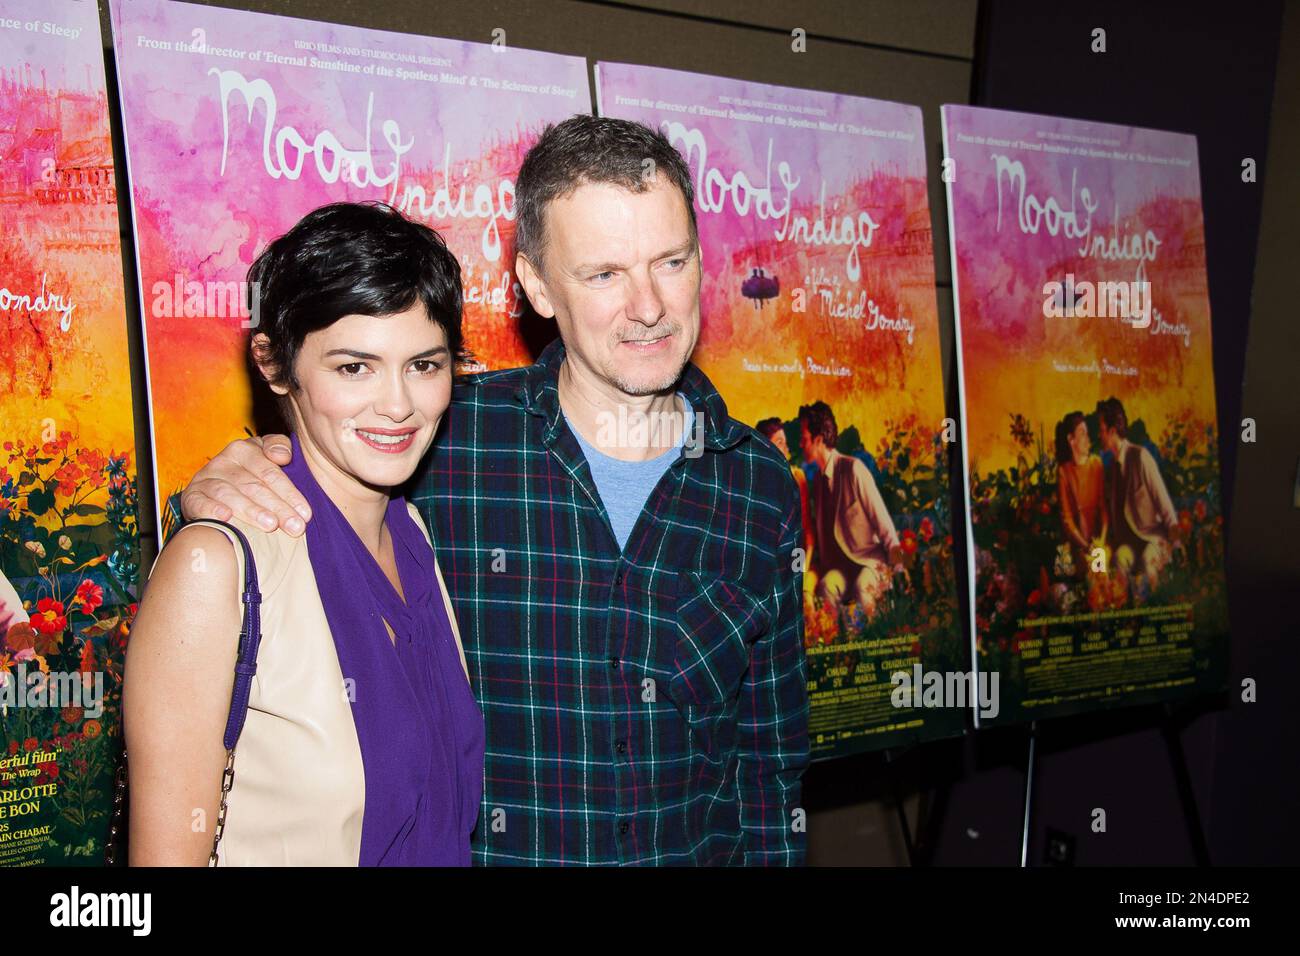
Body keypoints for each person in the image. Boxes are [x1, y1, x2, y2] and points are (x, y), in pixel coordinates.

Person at [174, 116, 809, 866]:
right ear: (536, 284)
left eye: (670, 262)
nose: (649, 306)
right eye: (604, 274)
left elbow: (771, 772)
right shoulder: (440, 439)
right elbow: (257, 555)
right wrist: (219, 484)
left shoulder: (760, 487)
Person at [124, 203, 484, 866]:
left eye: (425, 365)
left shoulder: (412, 531)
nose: (398, 405)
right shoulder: (215, 568)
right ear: (275, 364)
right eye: (354, 368)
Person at [798, 401, 903, 621]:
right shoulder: (817, 481)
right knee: (827, 586)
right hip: (840, 569)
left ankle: (873, 643)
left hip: (870, 562)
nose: (800, 444)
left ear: (818, 439)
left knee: (863, 587)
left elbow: (885, 527)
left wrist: (900, 569)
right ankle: (841, 650)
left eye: (804, 438)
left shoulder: (854, 469)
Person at [1095, 397, 1179, 587]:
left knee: (1148, 564)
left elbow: (1165, 506)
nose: (1098, 435)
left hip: (1152, 540)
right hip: (1130, 545)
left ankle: (1154, 609)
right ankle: (1128, 613)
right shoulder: (1113, 469)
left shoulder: (1140, 457)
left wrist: (1176, 547)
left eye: (1101, 430)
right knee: (1118, 560)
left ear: (1112, 431)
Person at [1055, 410, 1107, 575]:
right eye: (1082, 433)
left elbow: (1104, 508)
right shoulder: (1064, 471)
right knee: (1074, 576)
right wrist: (1085, 545)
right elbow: (1067, 519)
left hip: (1100, 541)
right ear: (1071, 440)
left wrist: (1100, 543)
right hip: (1077, 542)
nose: (1087, 438)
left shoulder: (1097, 465)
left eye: (1087, 433)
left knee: (1100, 576)